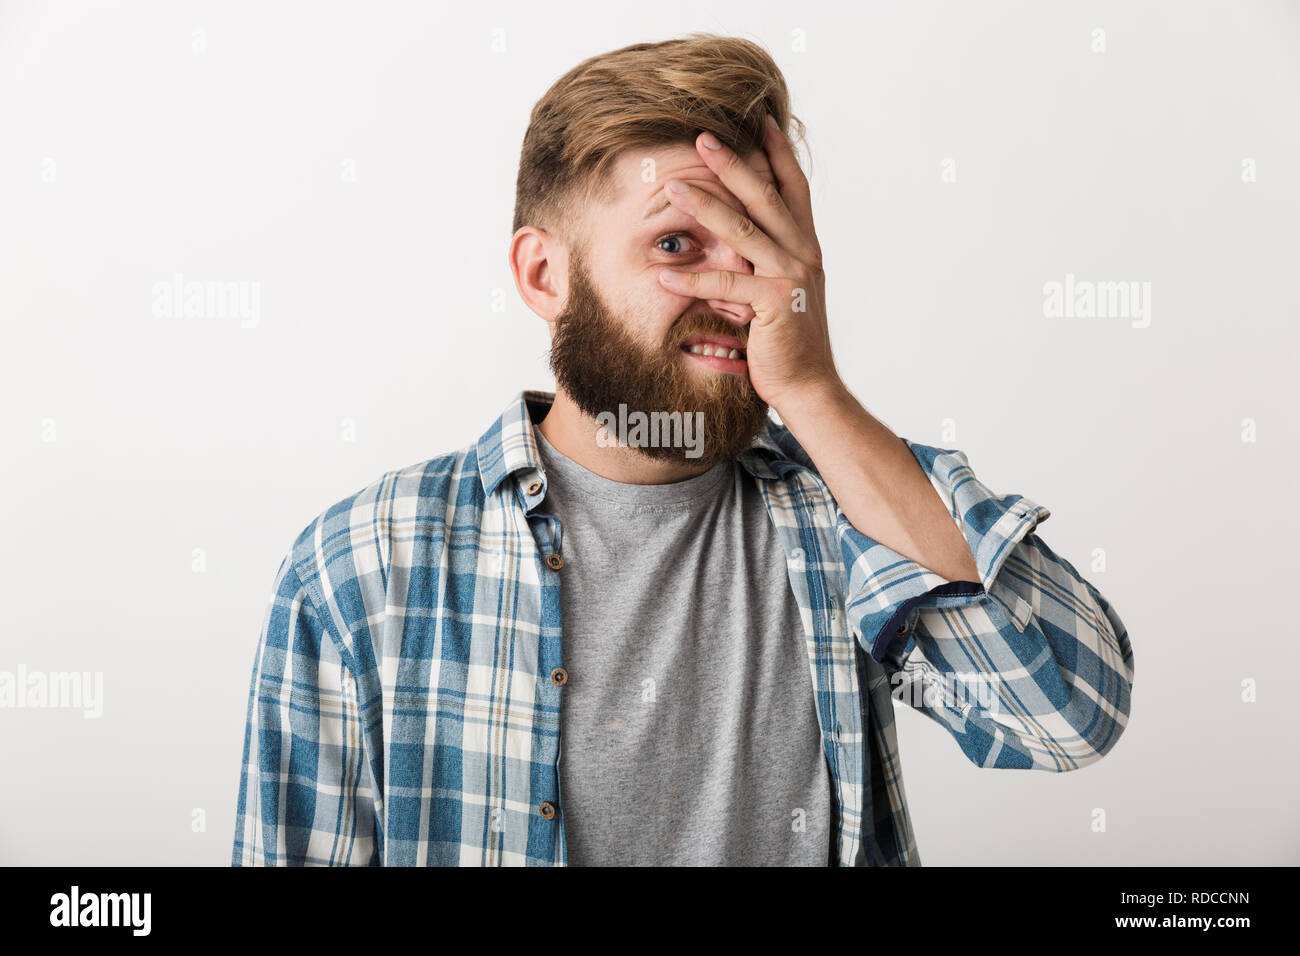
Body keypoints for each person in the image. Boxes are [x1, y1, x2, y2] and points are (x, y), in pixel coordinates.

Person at [232, 33, 1134, 866]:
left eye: (757, 246)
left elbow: (1067, 717)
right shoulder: (361, 566)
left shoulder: (848, 513)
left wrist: (815, 392)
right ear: (545, 276)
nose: (735, 290)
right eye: (676, 244)